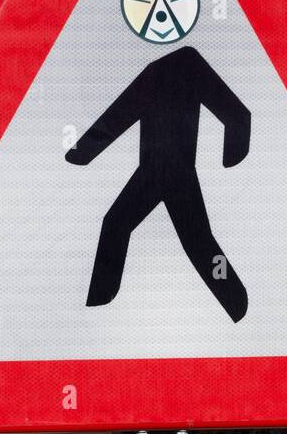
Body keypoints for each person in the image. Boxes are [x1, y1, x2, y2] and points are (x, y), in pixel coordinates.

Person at [66, 45, 250, 322]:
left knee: (195, 240)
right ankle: (99, 302)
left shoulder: (186, 65)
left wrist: (81, 153)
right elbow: (120, 114)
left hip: (176, 173)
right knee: (119, 225)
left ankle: (236, 302)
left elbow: (236, 113)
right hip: (152, 172)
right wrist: (81, 153)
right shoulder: (157, 72)